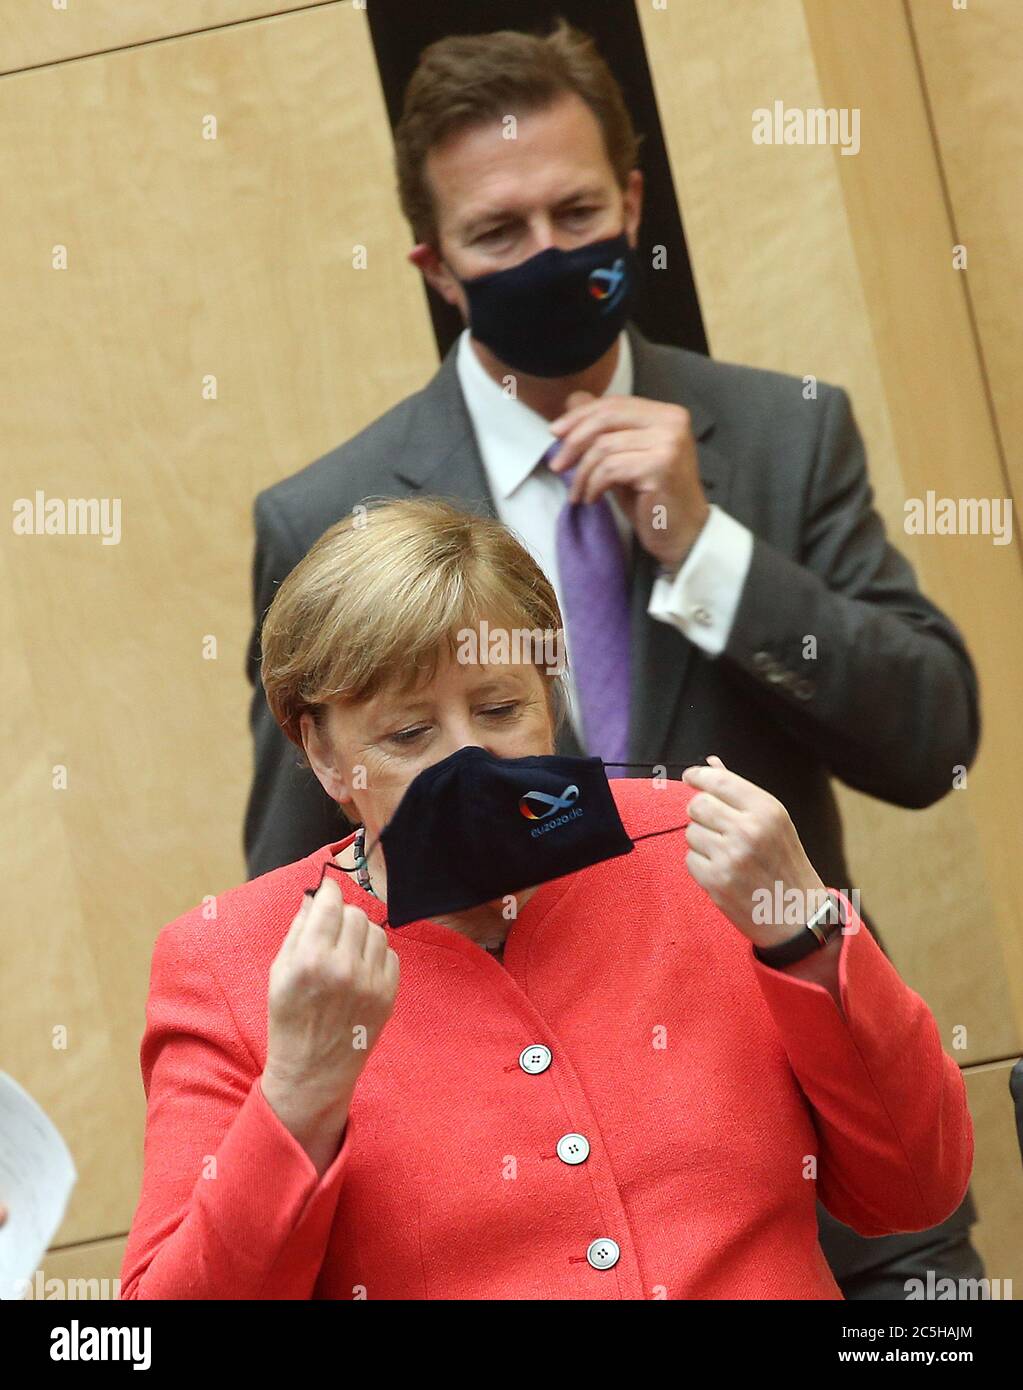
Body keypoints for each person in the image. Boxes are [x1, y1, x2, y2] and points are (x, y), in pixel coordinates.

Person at [242, 21, 982, 1297]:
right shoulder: (329, 516)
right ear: (435, 265)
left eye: (577, 213)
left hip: (849, 1178)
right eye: (498, 232)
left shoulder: (782, 432)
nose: (547, 253)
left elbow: (933, 739)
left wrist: (708, 549)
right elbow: (294, 875)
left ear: (632, 206)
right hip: (535, 1213)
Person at [122, 499, 972, 1300]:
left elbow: (916, 1185)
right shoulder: (231, 963)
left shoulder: (697, 847)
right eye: (408, 734)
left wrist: (806, 933)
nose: (469, 761)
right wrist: (299, 1095)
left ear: (551, 697)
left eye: (499, 709)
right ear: (322, 753)